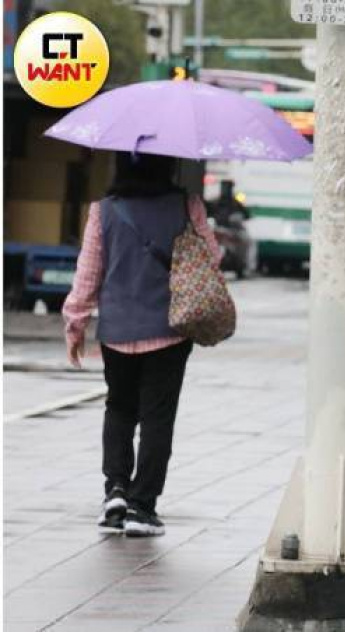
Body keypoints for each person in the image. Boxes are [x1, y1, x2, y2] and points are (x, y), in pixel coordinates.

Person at [62, 151, 221, 537]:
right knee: (157, 418)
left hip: (117, 331)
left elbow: (89, 271)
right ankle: (142, 507)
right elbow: (212, 258)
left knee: (118, 409)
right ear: (167, 165)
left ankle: (114, 490)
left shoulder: (104, 211)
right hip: (169, 329)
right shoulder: (187, 205)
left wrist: (75, 322)